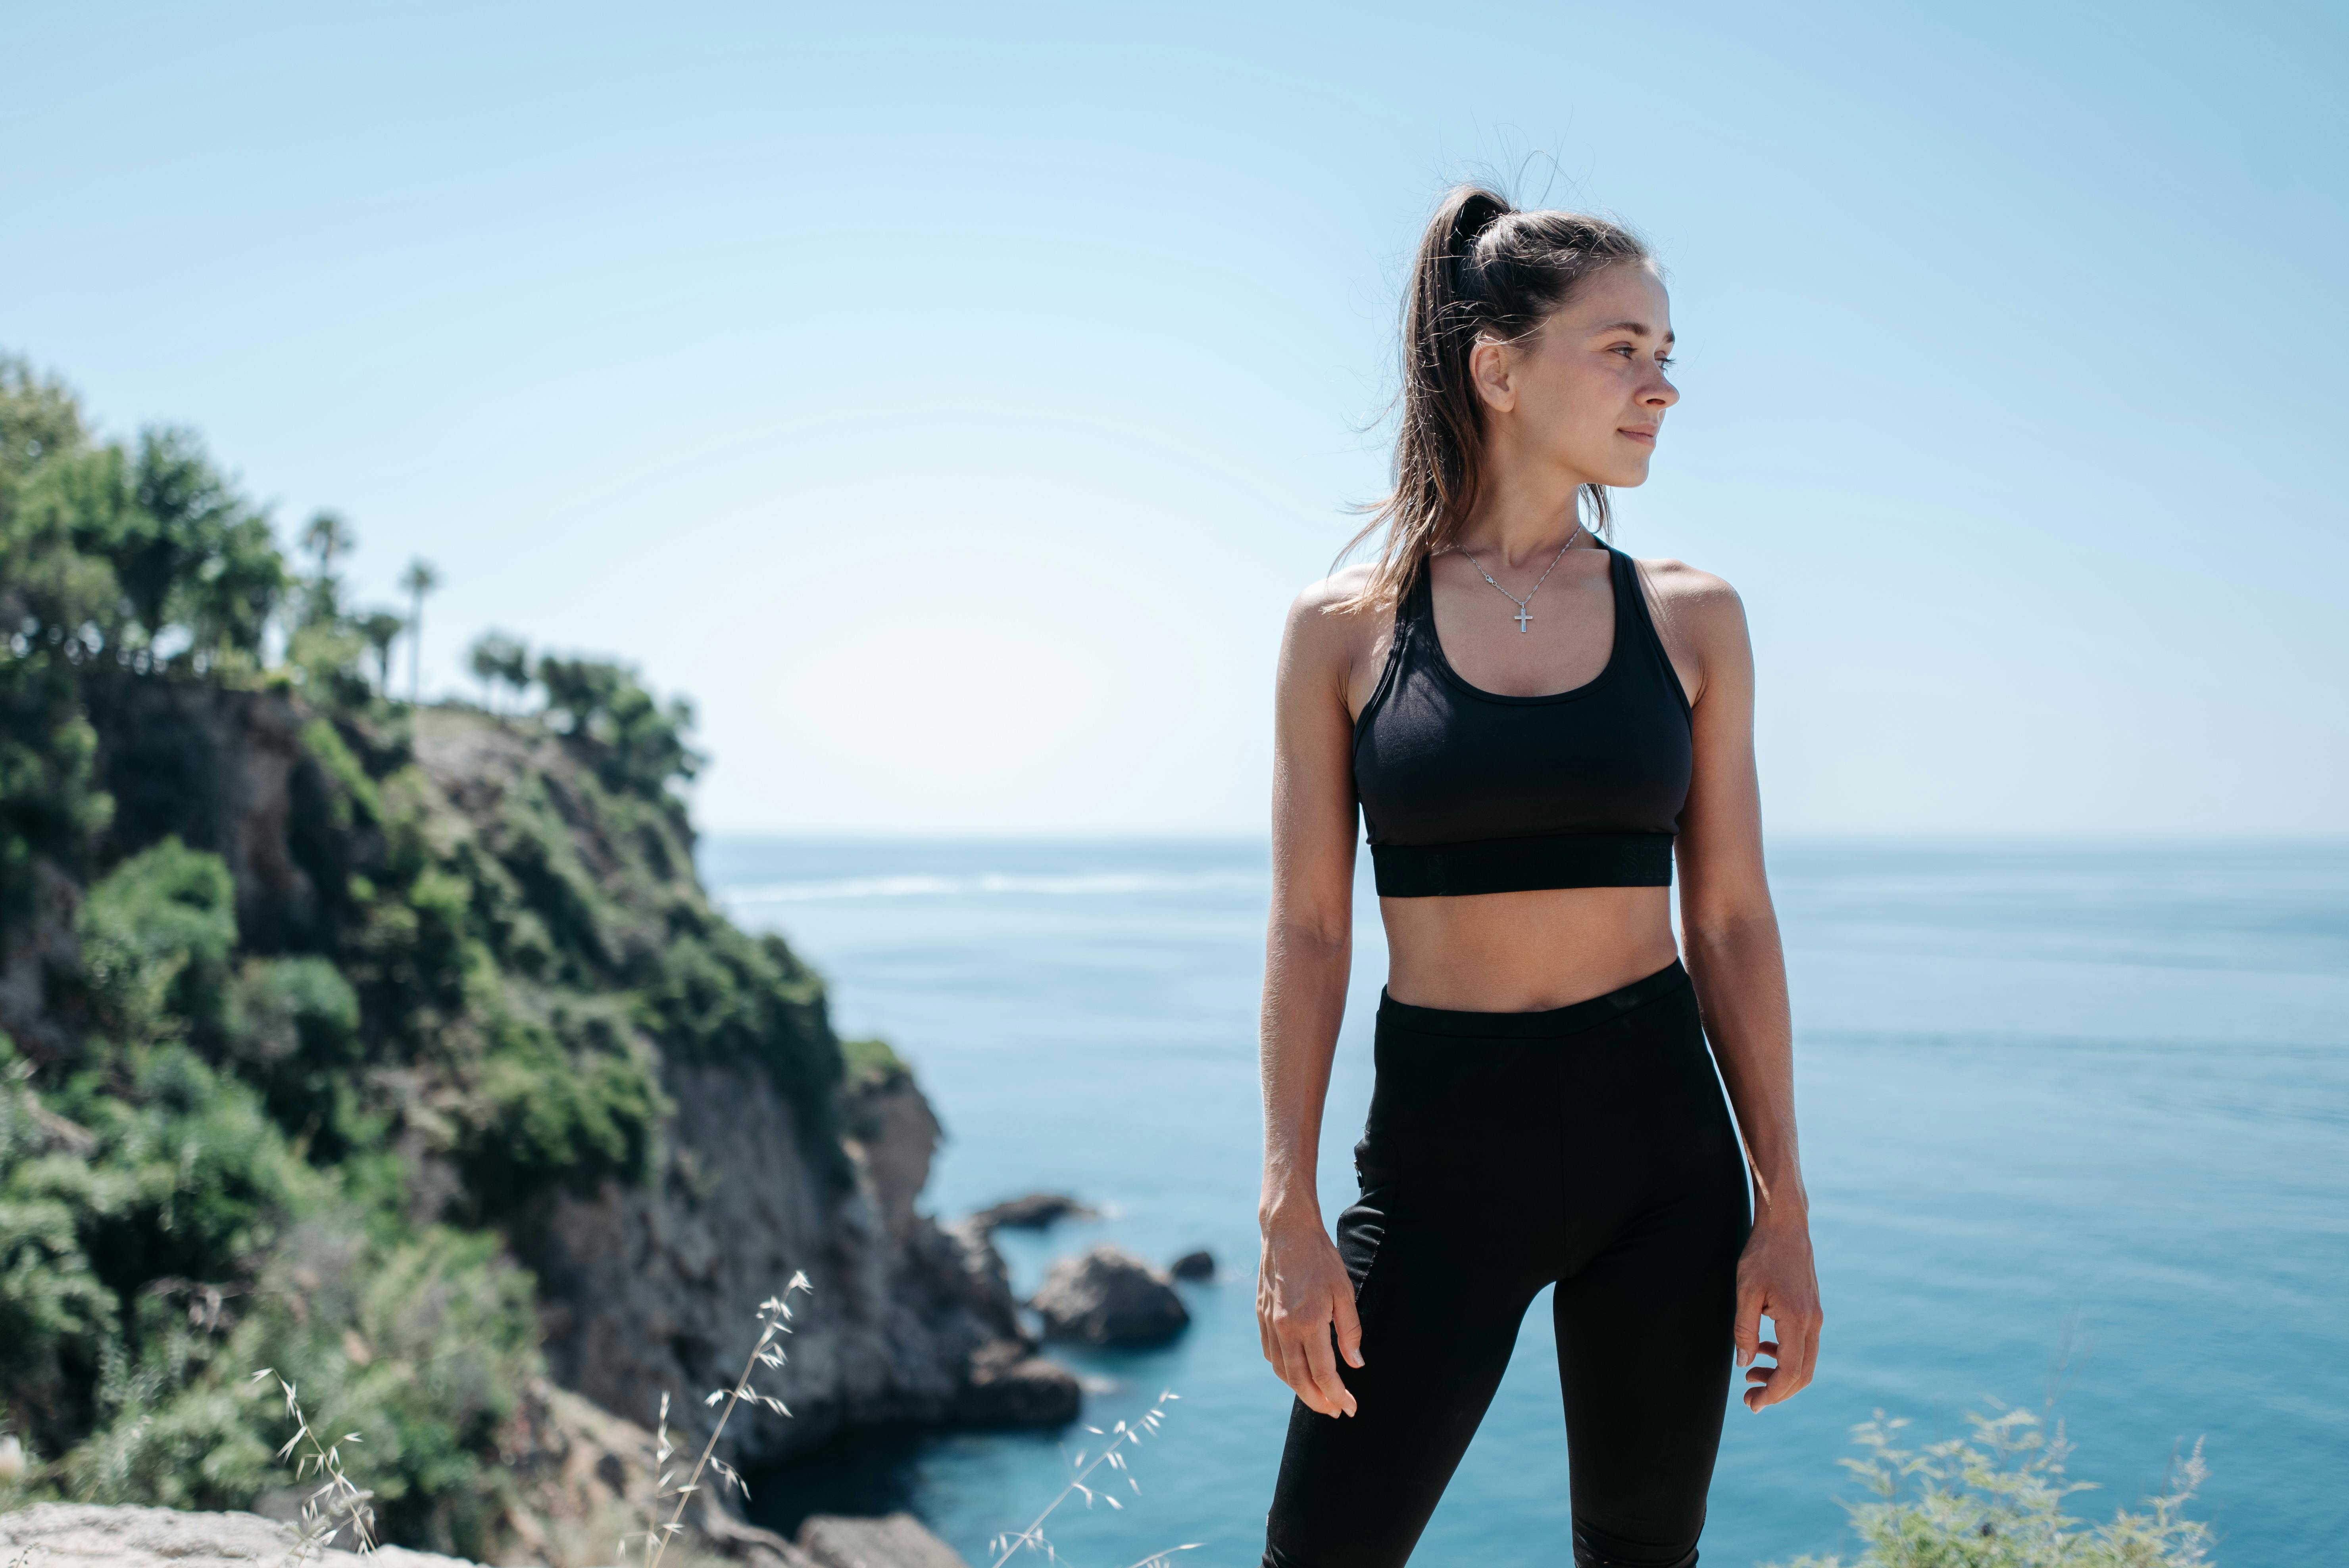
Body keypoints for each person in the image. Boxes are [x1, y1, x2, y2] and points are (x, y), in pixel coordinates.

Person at [1253, 186, 1822, 1568]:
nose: (1663, 387)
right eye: (1622, 348)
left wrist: (1785, 1203)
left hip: (1662, 1157)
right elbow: (1313, 932)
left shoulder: (1691, 618)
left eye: (1668, 351)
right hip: (1444, 1155)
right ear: (1498, 370)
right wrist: (1288, 1208)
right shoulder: (1343, 634)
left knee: (1641, 1557)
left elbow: (1734, 920)